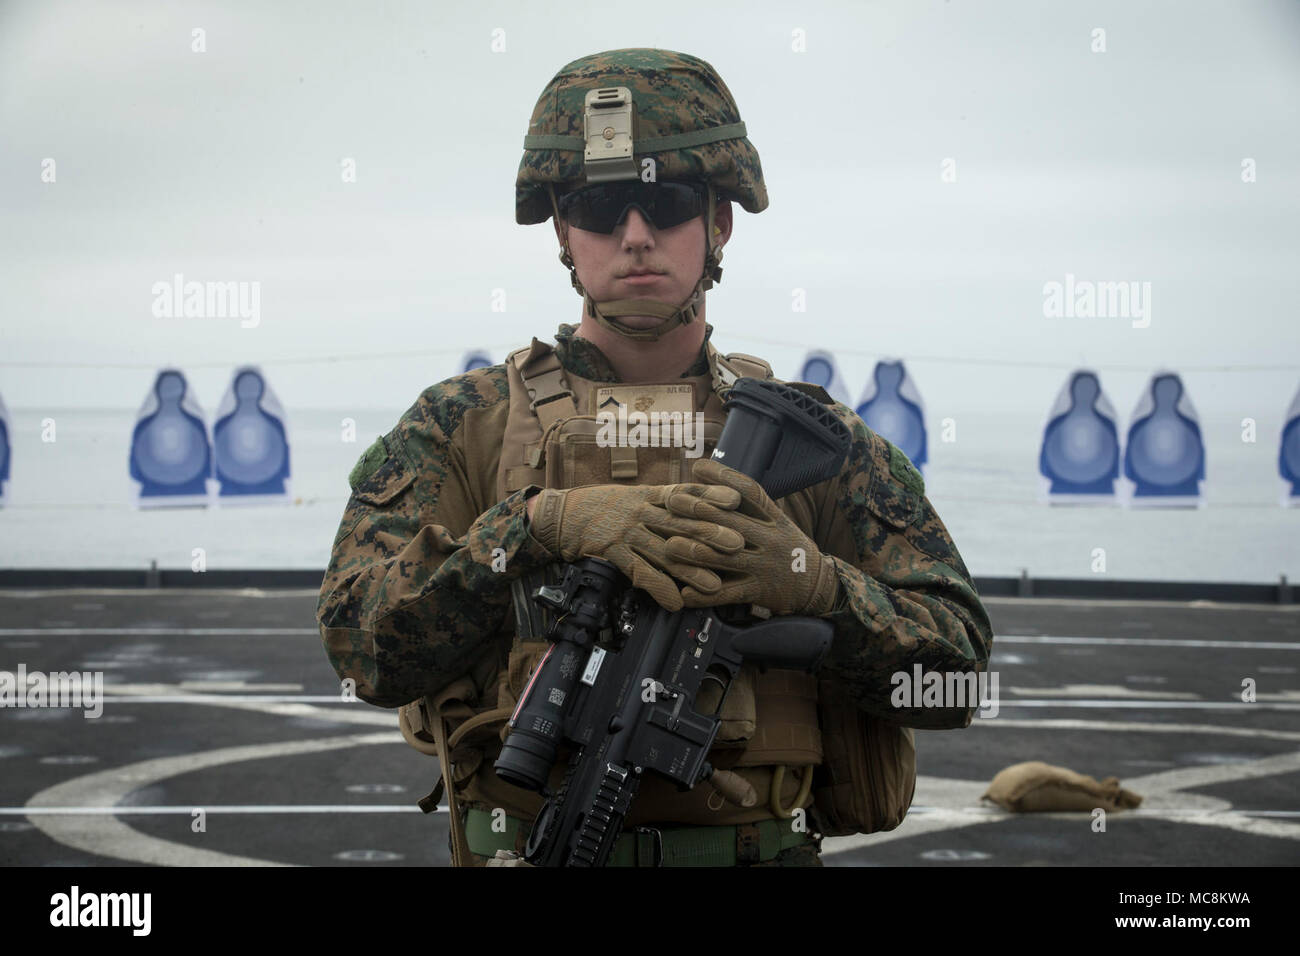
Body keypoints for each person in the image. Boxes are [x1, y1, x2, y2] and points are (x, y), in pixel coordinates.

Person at [317, 48, 994, 867]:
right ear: (563, 229)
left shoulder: (812, 442)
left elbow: (956, 680)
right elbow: (361, 647)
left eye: (666, 202)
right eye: (601, 209)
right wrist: (535, 529)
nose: (634, 237)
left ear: (718, 222)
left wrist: (813, 587)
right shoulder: (466, 426)